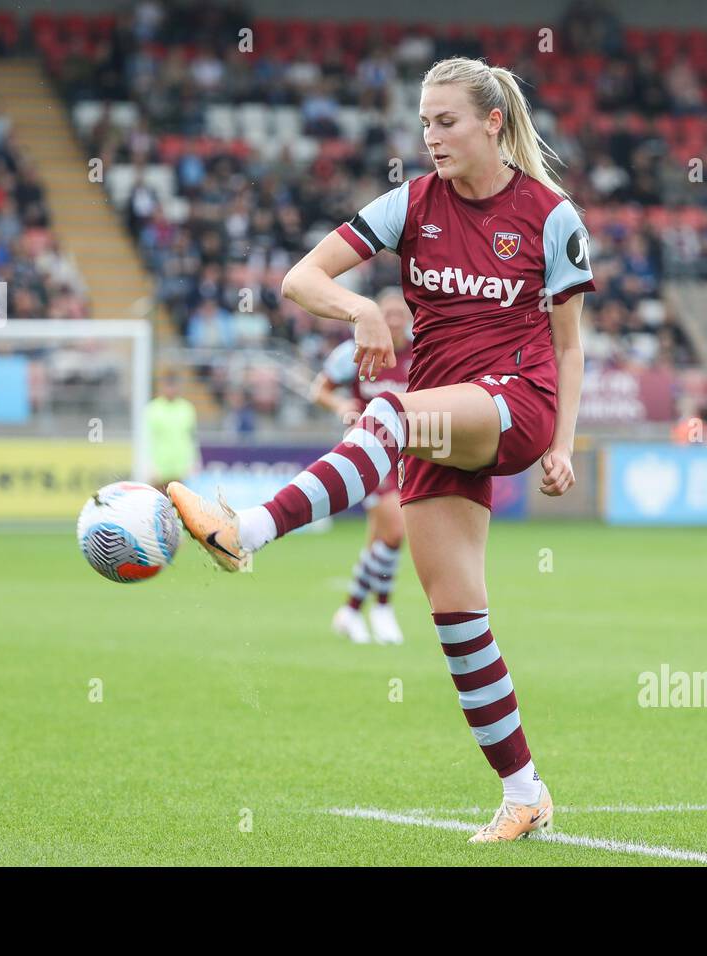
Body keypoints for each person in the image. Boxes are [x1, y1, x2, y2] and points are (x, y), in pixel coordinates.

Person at [168, 57, 594, 843]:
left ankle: (244, 532)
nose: (431, 137)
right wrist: (359, 305)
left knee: (388, 414)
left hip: (515, 402)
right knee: (459, 621)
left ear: (492, 123)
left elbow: (568, 347)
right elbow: (301, 279)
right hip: (441, 414)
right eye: (425, 123)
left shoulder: (549, 214)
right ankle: (525, 794)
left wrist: (561, 442)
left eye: (447, 121)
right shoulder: (411, 205)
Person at [310, 287, 415, 646]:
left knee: (380, 540)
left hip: (409, 454)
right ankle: (383, 608)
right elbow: (319, 389)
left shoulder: (422, 349)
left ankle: (351, 610)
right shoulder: (358, 349)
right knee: (397, 530)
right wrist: (340, 406)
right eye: (388, 313)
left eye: (400, 314)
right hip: (368, 453)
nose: (395, 320)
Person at [145, 371, 200, 490]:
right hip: (159, 468)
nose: (170, 389)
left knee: (179, 504)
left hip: (180, 468)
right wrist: (149, 464)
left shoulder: (187, 408)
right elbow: (146, 439)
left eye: (173, 386)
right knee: (158, 502)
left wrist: (194, 462)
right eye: (167, 386)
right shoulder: (153, 409)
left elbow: (192, 438)